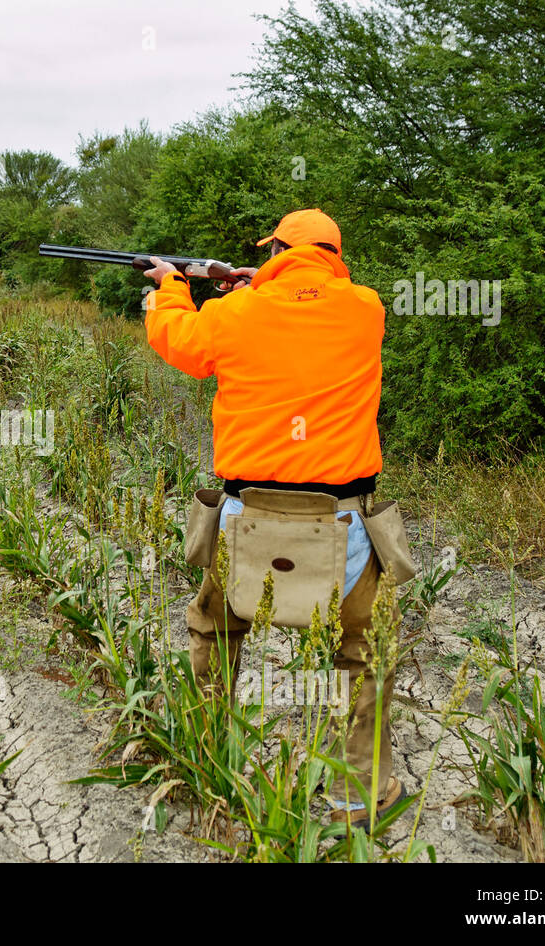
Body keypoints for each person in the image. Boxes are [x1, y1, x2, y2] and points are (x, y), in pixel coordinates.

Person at [143, 208, 403, 826]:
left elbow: (179, 343)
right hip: (344, 523)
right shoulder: (367, 308)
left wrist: (172, 289)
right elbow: (305, 307)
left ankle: (208, 759)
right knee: (362, 651)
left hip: (247, 517)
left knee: (215, 630)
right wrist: (257, 286)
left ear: (277, 248)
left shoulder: (233, 314)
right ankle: (354, 798)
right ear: (334, 253)